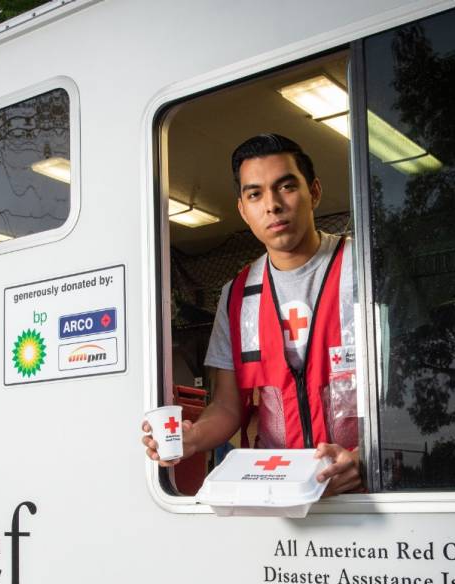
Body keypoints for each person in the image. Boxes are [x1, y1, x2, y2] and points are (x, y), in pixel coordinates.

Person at [143, 134, 363, 496]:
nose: (272, 206)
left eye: (286, 187)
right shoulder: (238, 295)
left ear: (314, 192)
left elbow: (403, 390)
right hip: (279, 491)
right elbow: (227, 406)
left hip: (365, 490)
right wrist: (192, 438)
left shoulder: (364, 269)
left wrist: (365, 458)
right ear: (244, 210)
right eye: (255, 194)